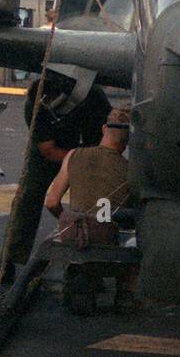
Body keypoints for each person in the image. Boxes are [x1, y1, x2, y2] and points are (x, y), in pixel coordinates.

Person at [0, 68, 111, 286]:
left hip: (89, 148)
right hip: (50, 151)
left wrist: (87, 162)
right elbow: (48, 150)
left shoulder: (94, 98)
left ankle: (94, 263)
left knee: (96, 201)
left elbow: (108, 141)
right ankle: (8, 262)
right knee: (27, 197)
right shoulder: (35, 106)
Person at [43, 107, 137, 312]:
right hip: (110, 243)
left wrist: (69, 220)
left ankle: (82, 279)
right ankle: (125, 293)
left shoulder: (74, 155)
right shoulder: (131, 170)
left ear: (104, 129)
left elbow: (51, 202)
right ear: (129, 139)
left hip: (75, 239)